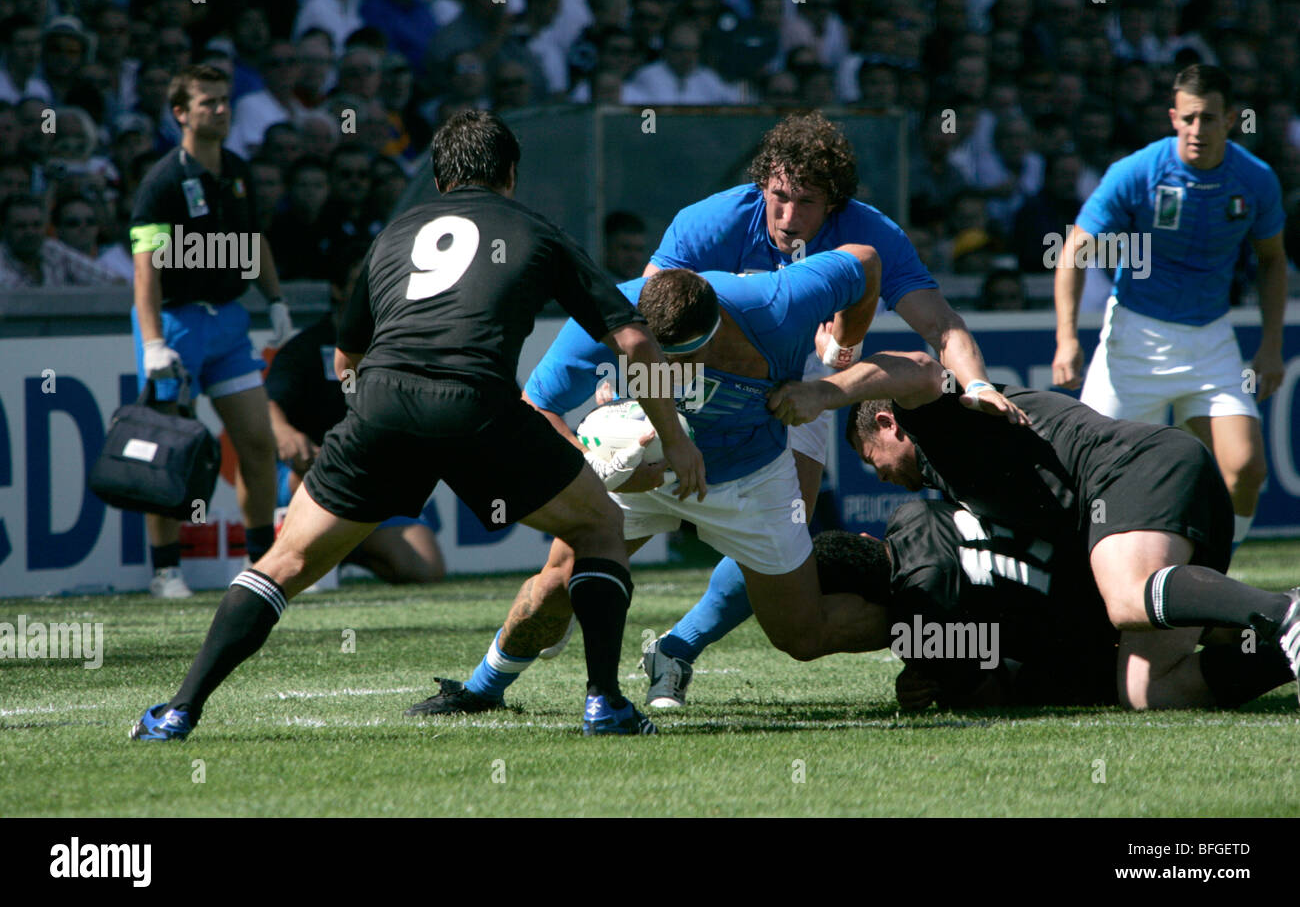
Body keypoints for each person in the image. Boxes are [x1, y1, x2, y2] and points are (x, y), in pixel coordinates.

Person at [131, 110, 705, 741]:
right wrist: (674, 440)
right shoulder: (535, 230)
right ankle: (604, 704)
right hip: (476, 404)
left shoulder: (393, 234)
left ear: (438, 177)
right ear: (510, 174)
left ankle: (178, 710)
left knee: (285, 560)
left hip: (380, 402)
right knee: (599, 525)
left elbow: (346, 360)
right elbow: (634, 341)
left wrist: (375, 436)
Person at [634, 110, 1027, 707]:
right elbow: (645, 314)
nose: (788, 217)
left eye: (807, 202)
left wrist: (976, 385)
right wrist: (622, 384)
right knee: (617, 519)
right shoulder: (710, 220)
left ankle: (676, 649)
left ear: (836, 202)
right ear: (763, 183)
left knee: (780, 529)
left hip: (804, 380)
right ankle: (506, 671)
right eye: (779, 197)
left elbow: (940, 324)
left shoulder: (870, 234)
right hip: (708, 370)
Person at [404, 246, 893, 720]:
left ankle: (942, 630)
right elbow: (535, 409)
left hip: (753, 477)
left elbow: (867, 261)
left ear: (718, 324)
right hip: (643, 469)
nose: (677, 373)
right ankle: (481, 690)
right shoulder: (604, 317)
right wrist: (598, 469)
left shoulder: (779, 301)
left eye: (689, 357)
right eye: (662, 360)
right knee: (557, 583)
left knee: (802, 637)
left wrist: (838, 358)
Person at [766, 365, 1300, 711]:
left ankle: (1285, 612)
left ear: (888, 423)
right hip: (1144, 497)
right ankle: (1277, 648)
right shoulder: (937, 504)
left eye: (871, 458)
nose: (878, 474)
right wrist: (931, 670)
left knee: (1127, 594)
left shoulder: (941, 430)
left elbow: (918, 370)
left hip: (1133, 469)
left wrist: (825, 387)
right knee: (1148, 691)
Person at [1051, 65, 1290, 554]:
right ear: (1173, 118)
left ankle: (1213, 575)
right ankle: (1075, 587)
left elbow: (1272, 260)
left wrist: (1270, 347)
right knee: (1085, 475)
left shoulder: (1256, 179)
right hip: (1133, 341)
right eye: (1188, 119)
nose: (1197, 130)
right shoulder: (1136, 172)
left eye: (1208, 118)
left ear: (1231, 120)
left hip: (1212, 341)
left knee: (1245, 468)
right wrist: (1067, 337)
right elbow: (1074, 249)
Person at [814, 502, 1293, 711]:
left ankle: (1284, 656)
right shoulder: (910, 513)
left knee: (1148, 693)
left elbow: (991, 694)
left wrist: (935, 680)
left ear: (854, 599)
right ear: (865, 538)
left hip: (1094, 631)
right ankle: (1280, 613)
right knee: (1218, 626)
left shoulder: (919, 620)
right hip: (1105, 558)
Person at [128, 64, 293, 599]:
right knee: (168, 450)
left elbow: (255, 241)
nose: (220, 109)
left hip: (227, 323)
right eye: (208, 103)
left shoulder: (238, 172)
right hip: (175, 322)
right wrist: (153, 342)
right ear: (180, 113)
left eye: (225, 100)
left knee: (256, 443)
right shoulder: (162, 182)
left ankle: (263, 562)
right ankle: (165, 571)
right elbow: (146, 273)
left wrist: (276, 300)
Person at [265, 262, 445, 584]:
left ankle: (346, 550)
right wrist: (285, 433)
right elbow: (265, 404)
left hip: (372, 480)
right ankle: (301, 547)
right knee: (303, 473)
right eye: (360, 282)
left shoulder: (400, 344)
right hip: (310, 473)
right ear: (337, 290)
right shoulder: (304, 348)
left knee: (426, 568)